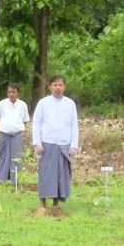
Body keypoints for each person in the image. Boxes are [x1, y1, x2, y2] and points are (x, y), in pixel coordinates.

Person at [32, 75, 79, 214]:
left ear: (64, 87)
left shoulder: (70, 104)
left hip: (63, 143)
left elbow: (74, 125)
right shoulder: (43, 103)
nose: (58, 88)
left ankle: (55, 203)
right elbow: (37, 123)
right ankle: (42, 202)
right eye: (55, 85)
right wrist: (37, 142)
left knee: (60, 174)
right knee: (46, 173)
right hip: (47, 142)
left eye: (60, 85)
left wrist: (74, 144)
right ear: (50, 87)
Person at [0, 83, 30, 184]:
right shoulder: (2, 104)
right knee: (2, 156)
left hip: (16, 135)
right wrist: (4, 127)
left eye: (13, 92)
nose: (11, 94)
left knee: (16, 157)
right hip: (4, 134)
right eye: (9, 92)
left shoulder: (22, 105)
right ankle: (1, 179)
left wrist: (18, 128)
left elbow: (26, 120)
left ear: (18, 93)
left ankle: (15, 180)